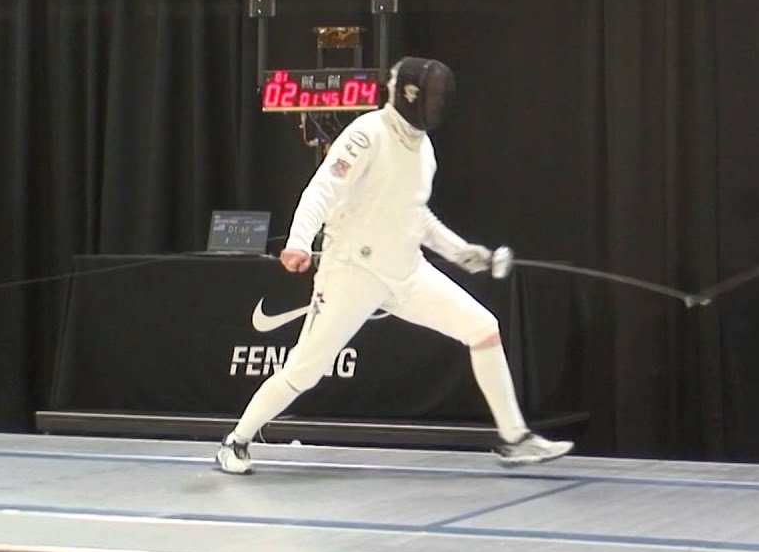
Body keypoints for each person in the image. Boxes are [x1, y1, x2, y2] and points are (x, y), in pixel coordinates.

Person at [216, 56, 573, 474]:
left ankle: (515, 438)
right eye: (429, 97)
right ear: (409, 95)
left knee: (483, 328)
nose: (434, 105)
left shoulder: (424, 150)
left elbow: (416, 216)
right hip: (353, 274)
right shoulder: (368, 134)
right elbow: (323, 189)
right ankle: (235, 441)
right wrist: (298, 241)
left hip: (408, 273)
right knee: (304, 370)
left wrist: (462, 251)